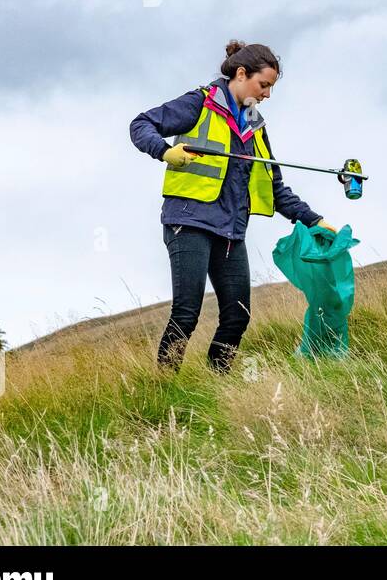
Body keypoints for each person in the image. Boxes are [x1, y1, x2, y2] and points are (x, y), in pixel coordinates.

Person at [130, 41, 338, 372]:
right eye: (264, 85)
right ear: (241, 74)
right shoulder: (199, 103)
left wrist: (315, 221)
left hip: (230, 231)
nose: (268, 94)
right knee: (187, 312)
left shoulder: (255, 123)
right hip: (189, 221)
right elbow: (141, 124)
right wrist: (164, 151)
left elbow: (275, 187)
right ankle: (163, 387)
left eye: (271, 87)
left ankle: (219, 382)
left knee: (238, 315)